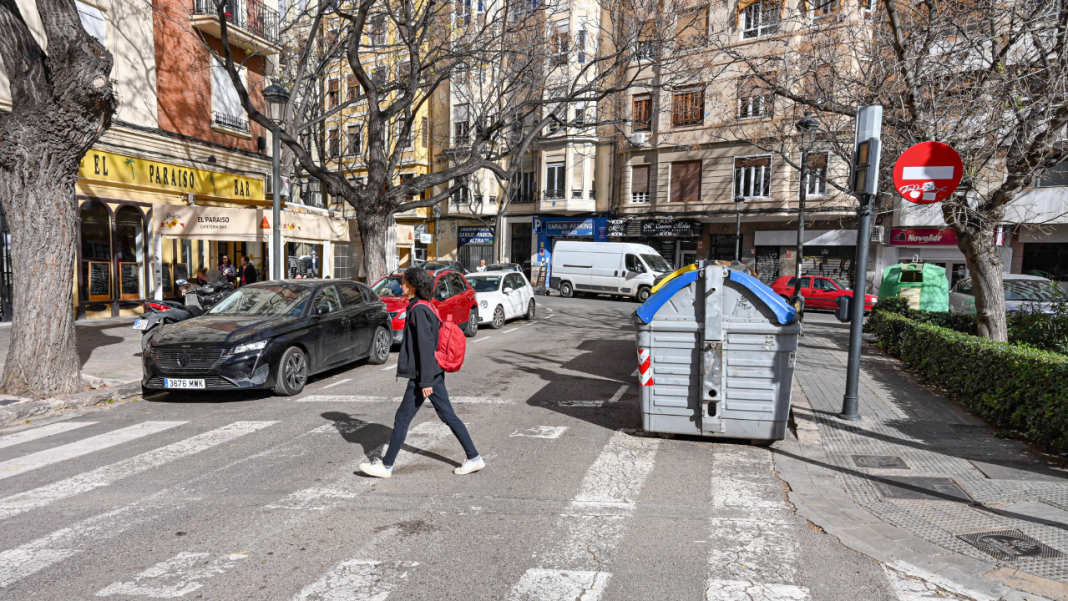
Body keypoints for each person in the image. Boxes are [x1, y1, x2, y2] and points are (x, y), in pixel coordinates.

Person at [359, 267, 484, 478]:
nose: (401, 286)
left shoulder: (418, 309)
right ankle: (474, 457)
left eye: (404, 283)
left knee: (402, 419)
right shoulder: (425, 306)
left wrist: (425, 381)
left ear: (414, 286)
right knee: (448, 416)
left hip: (424, 377)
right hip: (430, 374)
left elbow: (425, 348)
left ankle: (386, 466)